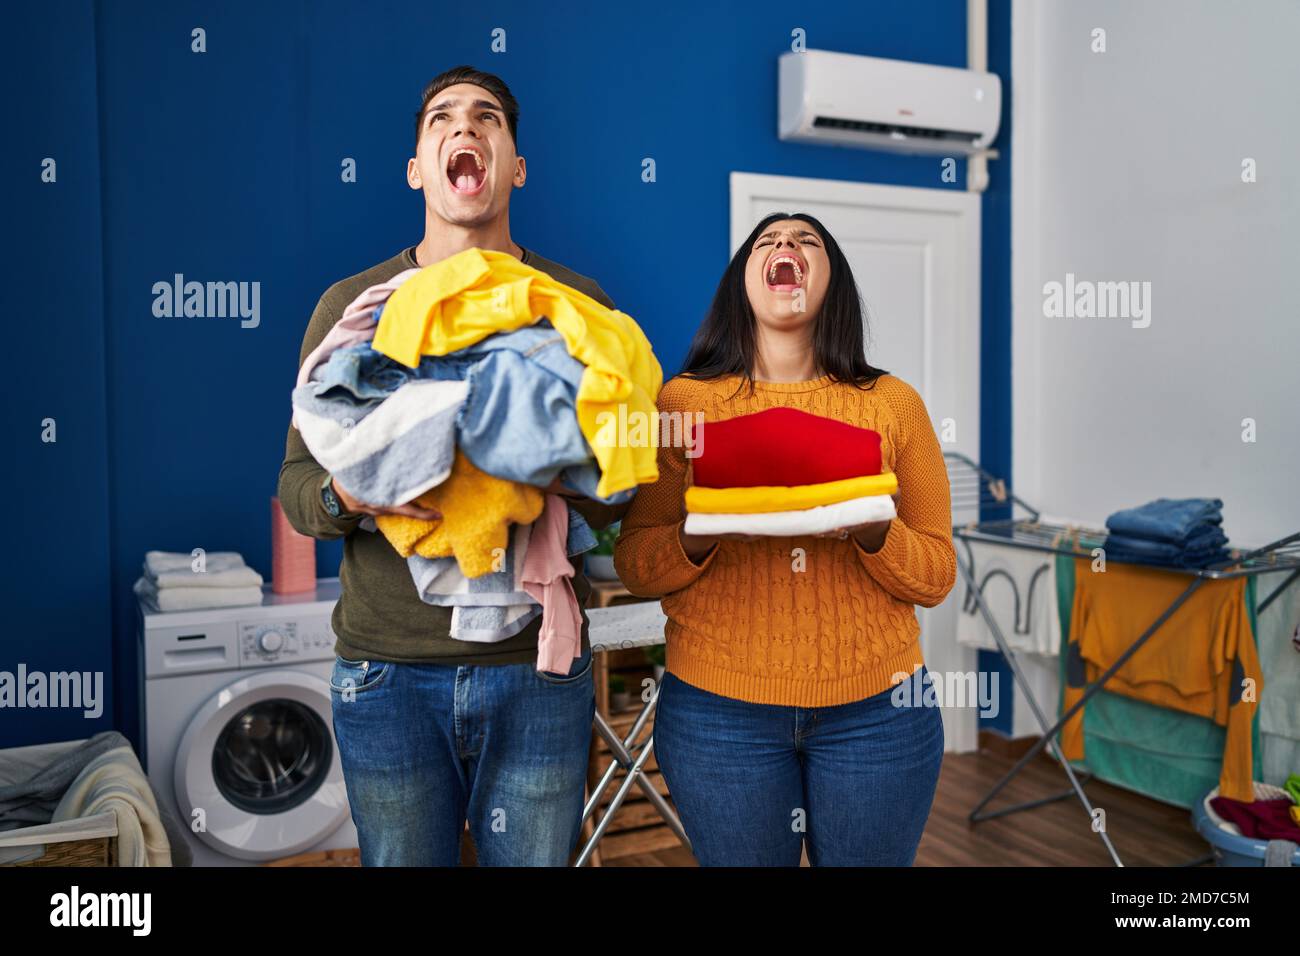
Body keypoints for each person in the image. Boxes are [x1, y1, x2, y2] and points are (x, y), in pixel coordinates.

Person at [278, 65, 626, 866]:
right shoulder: (354, 306)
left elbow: (622, 499)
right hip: (388, 675)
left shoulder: (575, 302)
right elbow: (298, 488)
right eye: (441, 119)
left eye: (488, 119)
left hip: (537, 672)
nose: (464, 130)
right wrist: (350, 490)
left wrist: (572, 464)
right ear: (416, 167)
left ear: (516, 164)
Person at [614, 212, 955, 866]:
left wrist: (874, 528)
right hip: (719, 717)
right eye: (768, 240)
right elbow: (635, 564)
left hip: (881, 714)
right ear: (744, 280)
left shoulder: (894, 404)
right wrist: (704, 531)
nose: (786, 245)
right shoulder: (682, 404)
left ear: (834, 282)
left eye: (807, 241)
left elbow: (937, 576)